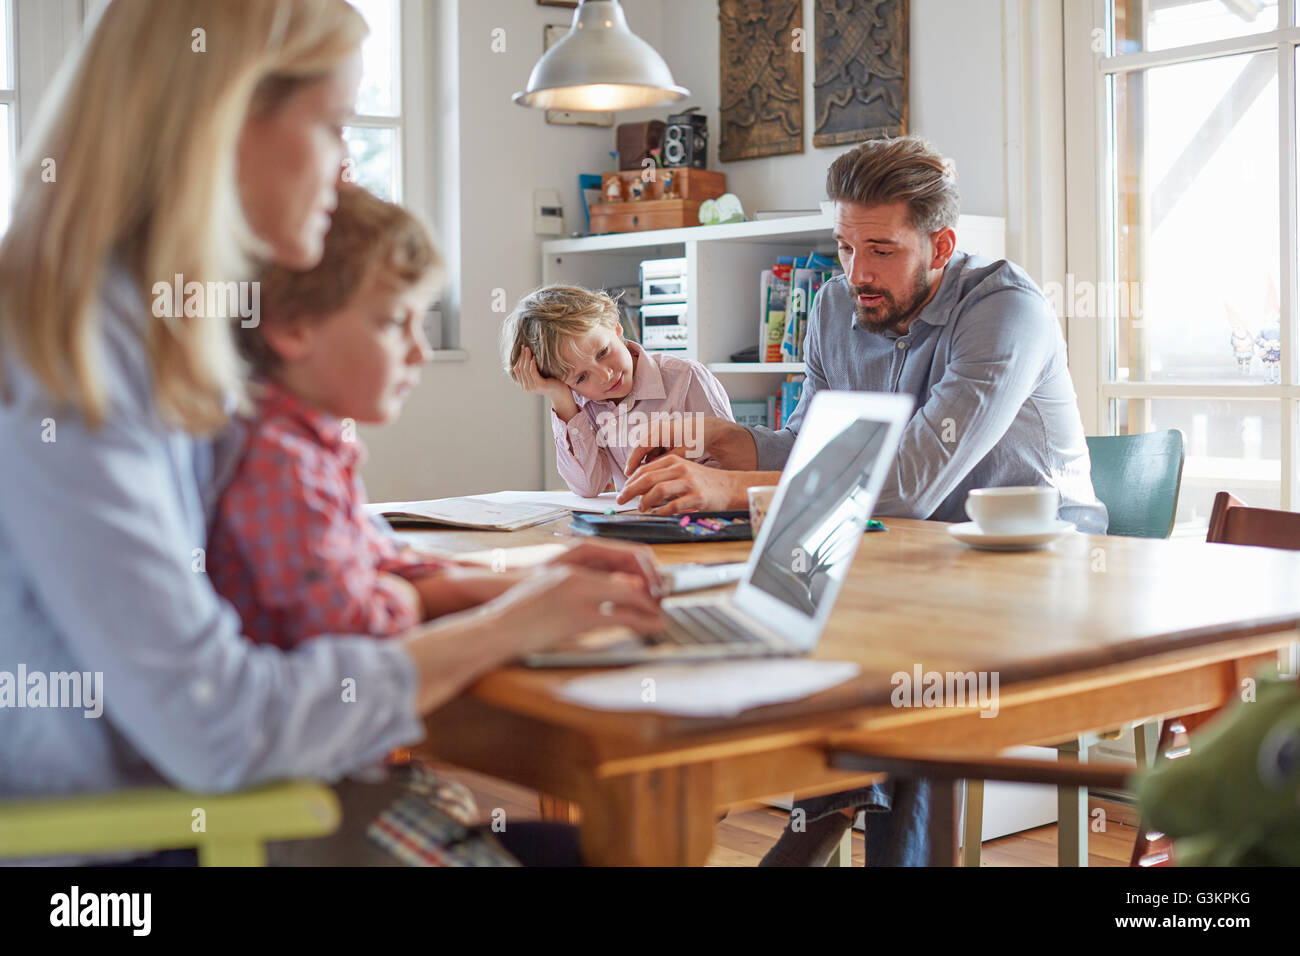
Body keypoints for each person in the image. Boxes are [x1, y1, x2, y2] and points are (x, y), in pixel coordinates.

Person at [0, 0, 662, 866]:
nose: (348, 168)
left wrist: (487, 594)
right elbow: (220, 726)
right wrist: (502, 627)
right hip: (149, 846)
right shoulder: (69, 365)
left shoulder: (156, 333)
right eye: (333, 125)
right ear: (227, 119)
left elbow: (307, 574)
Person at [616, 135, 1107, 866]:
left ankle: (818, 828)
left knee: (905, 668)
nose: (856, 273)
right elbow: (820, 444)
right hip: (913, 558)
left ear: (940, 244)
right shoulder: (832, 309)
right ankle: (803, 802)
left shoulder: (1007, 311)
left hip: (1041, 568)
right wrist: (730, 443)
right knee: (762, 605)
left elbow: (909, 486)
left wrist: (730, 488)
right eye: (844, 246)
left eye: (881, 250)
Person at [502, 284, 733, 498]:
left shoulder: (686, 378)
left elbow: (733, 461)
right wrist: (560, 398)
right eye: (581, 377)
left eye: (603, 352)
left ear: (615, 325)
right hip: (636, 524)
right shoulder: (581, 403)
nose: (605, 376)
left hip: (701, 515)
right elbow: (588, 487)